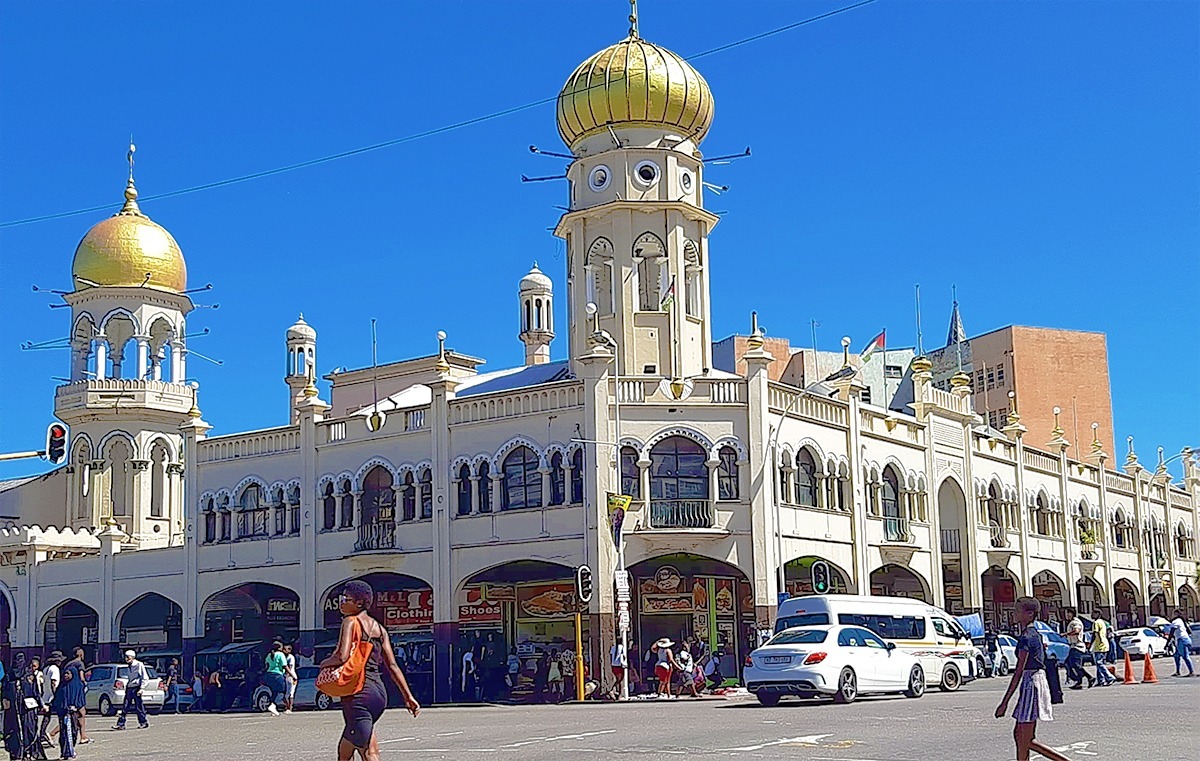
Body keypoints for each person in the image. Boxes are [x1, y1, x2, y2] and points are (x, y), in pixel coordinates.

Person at [322, 579, 420, 761]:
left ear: (359, 603)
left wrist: (324, 664)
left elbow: (342, 656)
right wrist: (408, 697)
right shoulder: (380, 630)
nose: (341, 602)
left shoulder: (350, 621)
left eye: (345, 598)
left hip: (358, 694)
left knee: (361, 753)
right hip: (378, 695)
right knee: (356, 750)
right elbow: (392, 666)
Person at [994, 597, 1071, 761]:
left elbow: (1019, 671)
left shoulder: (1028, 637)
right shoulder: (1033, 634)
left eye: (1017, 611)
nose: (1014, 614)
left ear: (1029, 614)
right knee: (1020, 735)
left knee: (1026, 738)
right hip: (1035, 681)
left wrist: (1005, 702)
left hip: (1032, 683)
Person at [3, 653, 48, 759]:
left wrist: (41, 704)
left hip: (28, 709)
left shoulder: (29, 675)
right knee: (15, 731)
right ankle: (17, 752)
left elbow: (35, 692)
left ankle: (29, 751)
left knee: (29, 730)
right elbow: (5, 692)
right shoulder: (9, 676)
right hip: (14, 709)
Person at [50, 663, 84, 761]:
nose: (66, 676)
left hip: (74, 713)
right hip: (63, 713)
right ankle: (64, 752)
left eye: (68, 674)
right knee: (64, 733)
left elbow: (81, 700)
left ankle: (71, 750)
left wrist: (77, 708)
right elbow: (57, 699)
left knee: (73, 732)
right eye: (65, 674)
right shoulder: (62, 686)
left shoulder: (78, 686)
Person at [112, 649, 149, 730]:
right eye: (126, 657)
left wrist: (142, 688)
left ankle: (143, 722)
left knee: (139, 706)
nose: (126, 659)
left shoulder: (139, 664)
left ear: (132, 657)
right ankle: (121, 724)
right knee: (125, 706)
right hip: (129, 687)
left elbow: (145, 677)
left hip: (136, 687)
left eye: (128, 657)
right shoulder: (128, 666)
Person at [62, 648, 89, 745]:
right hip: (77, 690)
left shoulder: (68, 664)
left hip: (68, 690)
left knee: (77, 714)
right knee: (80, 713)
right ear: (81, 655)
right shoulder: (80, 664)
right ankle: (53, 733)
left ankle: (83, 736)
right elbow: (81, 677)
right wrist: (85, 683)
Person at [1061, 608, 1092, 689]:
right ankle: (1078, 681)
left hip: (1078, 646)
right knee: (1068, 663)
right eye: (1066, 613)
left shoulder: (1075, 622)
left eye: (1069, 613)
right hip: (1073, 646)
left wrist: (1066, 634)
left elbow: (1077, 631)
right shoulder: (1071, 622)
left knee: (1075, 665)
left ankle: (1089, 677)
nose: (1067, 615)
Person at [37, 653, 61, 746]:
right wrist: (56, 695)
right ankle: (46, 734)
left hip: (46, 695)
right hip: (52, 696)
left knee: (47, 717)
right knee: (59, 715)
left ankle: (42, 733)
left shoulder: (46, 669)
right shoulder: (55, 669)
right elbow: (53, 682)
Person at [262, 641, 287, 716]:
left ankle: (273, 707)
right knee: (283, 690)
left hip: (269, 675)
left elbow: (266, 666)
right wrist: (292, 675)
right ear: (280, 647)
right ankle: (273, 705)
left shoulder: (269, 655)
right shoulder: (280, 654)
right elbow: (284, 666)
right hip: (277, 675)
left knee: (274, 691)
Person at [1167, 608, 1195, 677]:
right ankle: (1178, 671)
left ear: (1176, 614)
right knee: (1176, 656)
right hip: (1185, 639)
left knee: (1185, 656)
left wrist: (1167, 642)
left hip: (1182, 640)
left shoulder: (1176, 621)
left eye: (1173, 613)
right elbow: (1189, 631)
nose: (1172, 615)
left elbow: (1172, 632)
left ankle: (1191, 671)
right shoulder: (1182, 621)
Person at [1089, 617, 1116, 686]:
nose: (1091, 615)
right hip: (1104, 644)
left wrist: (1090, 644)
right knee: (1099, 663)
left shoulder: (1096, 623)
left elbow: (1095, 634)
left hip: (1099, 645)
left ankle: (1110, 677)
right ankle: (1101, 680)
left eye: (1093, 613)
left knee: (1099, 663)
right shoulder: (1102, 622)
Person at [282, 644, 298, 714]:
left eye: (285, 649)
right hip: (286, 676)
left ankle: (290, 708)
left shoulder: (290, 657)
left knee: (290, 693)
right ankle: (287, 707)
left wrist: (291, 676)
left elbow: (290, 667)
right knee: (285, 694)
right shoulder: (283, 657)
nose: (283, 651)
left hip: (291, 676)